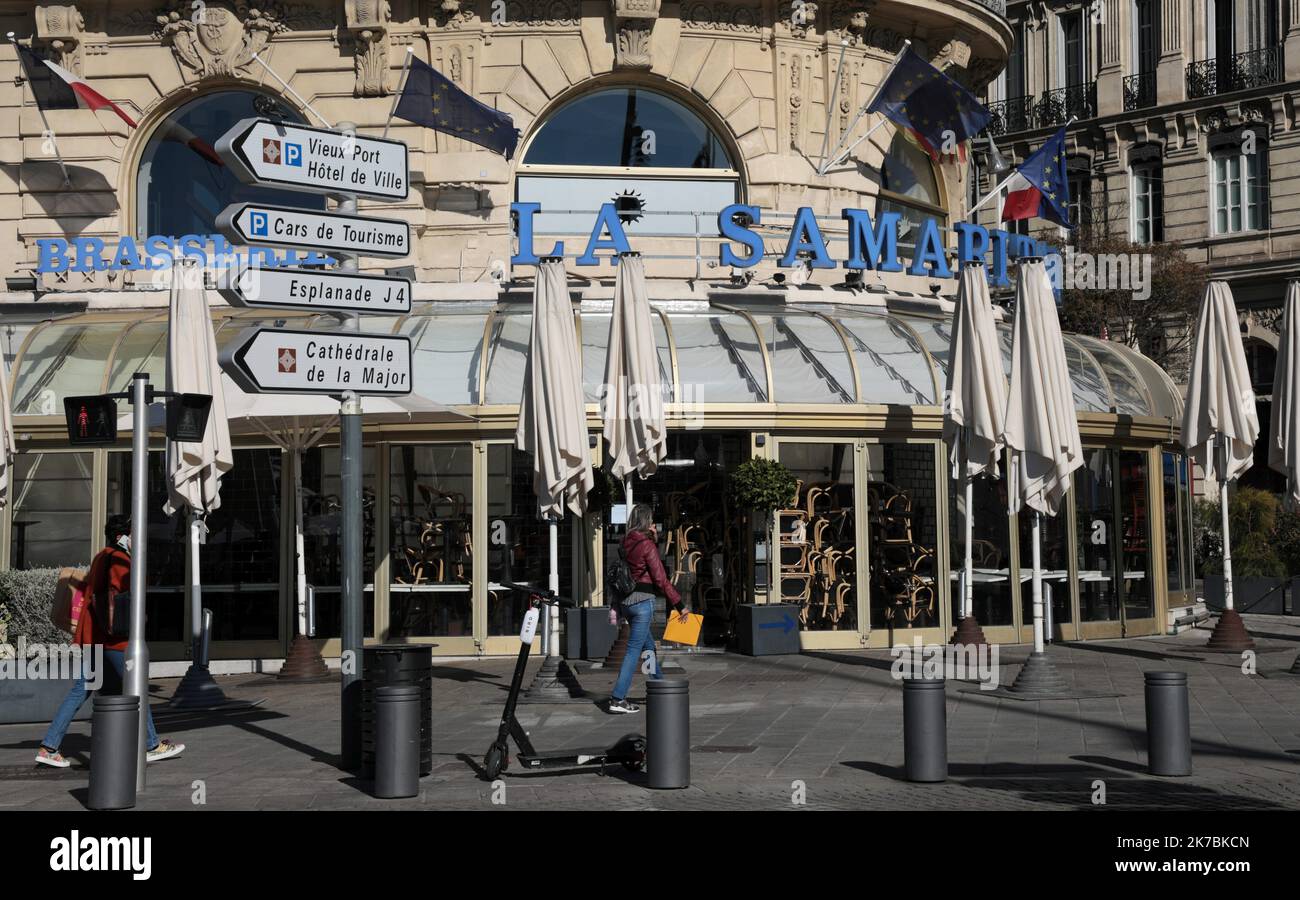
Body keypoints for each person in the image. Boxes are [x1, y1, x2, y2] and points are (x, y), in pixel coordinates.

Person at [35, 515, 185, 768]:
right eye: (132, 533)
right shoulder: (119, 559)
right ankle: (151, 745)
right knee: (136, 686)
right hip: (113, 640)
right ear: (121, 536)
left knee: (81, 690)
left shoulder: (101, 555)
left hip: (94, 637)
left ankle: (49, 746)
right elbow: (130, 590)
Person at [608, 503, 690, 715]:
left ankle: (659, 685)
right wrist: (679, 605)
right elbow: (660, 578)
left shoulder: (625, 542)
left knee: (647, 648)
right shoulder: (647, 545)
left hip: (626, 602)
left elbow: (636, 565)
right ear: (647, 521)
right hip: (643, 602)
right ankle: (618, 698)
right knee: (633, 651)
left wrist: (653, 540)